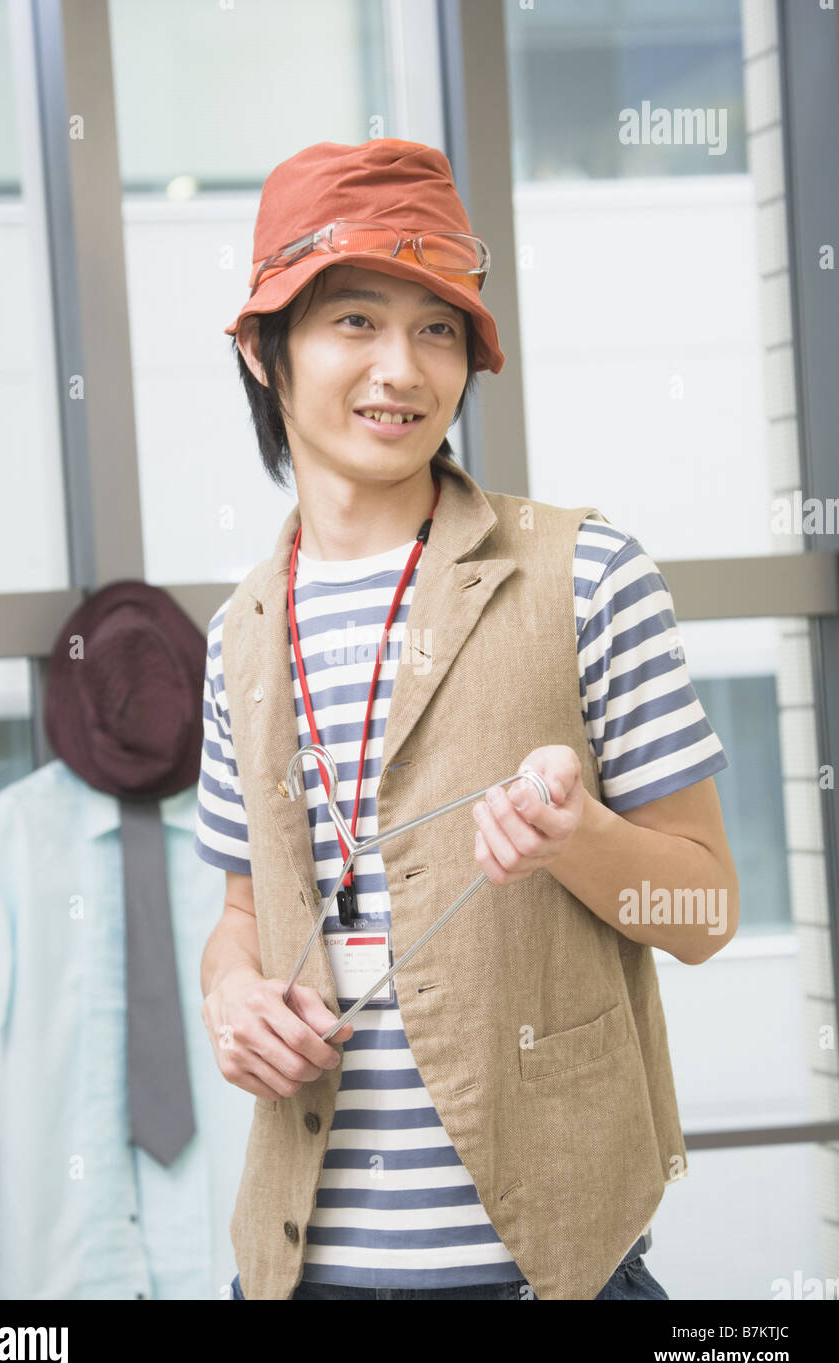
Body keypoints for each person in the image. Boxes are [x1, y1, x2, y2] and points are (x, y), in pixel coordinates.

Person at [194, 139, 739, 1301]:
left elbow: (701, 912)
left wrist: (575, 838)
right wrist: (230, 996)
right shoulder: (236, 633)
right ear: (261, 348)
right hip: (293, 1275)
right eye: (354, 320)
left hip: (549, 1274)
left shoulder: (587, 576)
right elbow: (240, 913)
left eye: (437, 327)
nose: (402, 368)